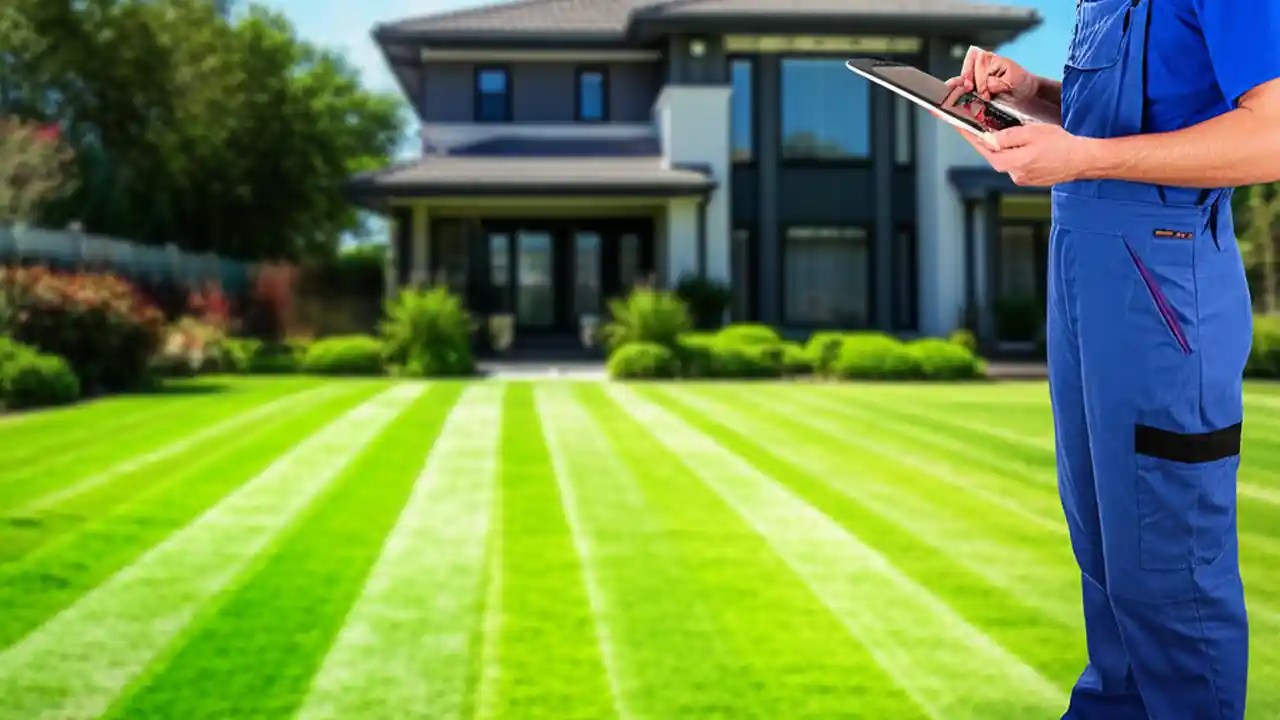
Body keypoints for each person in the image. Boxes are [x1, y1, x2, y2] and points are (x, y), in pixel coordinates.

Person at [951, 1, 1280, 718]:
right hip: (1086, 261)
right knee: (1106, 555)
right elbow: (1152, 113)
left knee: (1168, 561)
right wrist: (1032, 93)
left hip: (1165, 269)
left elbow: (1272, 134)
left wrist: (1084, 156)